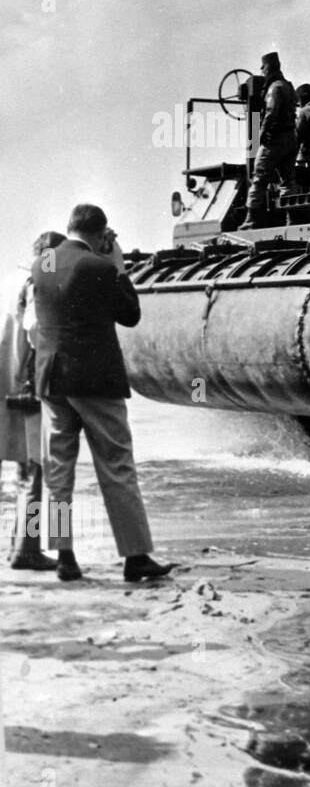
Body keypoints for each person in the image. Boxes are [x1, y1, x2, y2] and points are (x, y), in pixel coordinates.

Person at [31, 204, 176, 582]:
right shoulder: (98, 267)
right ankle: (135, 557)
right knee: (116, 466)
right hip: (94, 382)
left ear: (71, 227)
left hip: (51, 379)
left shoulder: (43, 262)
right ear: (100, 233)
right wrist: (119, 264)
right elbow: (129, 314)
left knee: (59, 471)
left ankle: (64, 554)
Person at [1, 232, 65, 570]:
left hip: (3, 385)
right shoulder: (34, 282)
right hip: (23, 389)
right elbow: (36, 327)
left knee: (18, 469)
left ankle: (18, 546)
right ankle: (25, 549)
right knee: (32, 469)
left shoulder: (9, 278)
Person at [240, 51, 296, 229]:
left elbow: (271, 112)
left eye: (263, 67)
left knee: (259, 176)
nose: (261, 70)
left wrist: (261, 135)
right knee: (288, 180)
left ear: (269, 67)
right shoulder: (288, 86)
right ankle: (291, 218)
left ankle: (251, 218)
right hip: (291, 138)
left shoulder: (274, 88)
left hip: (275, 140)